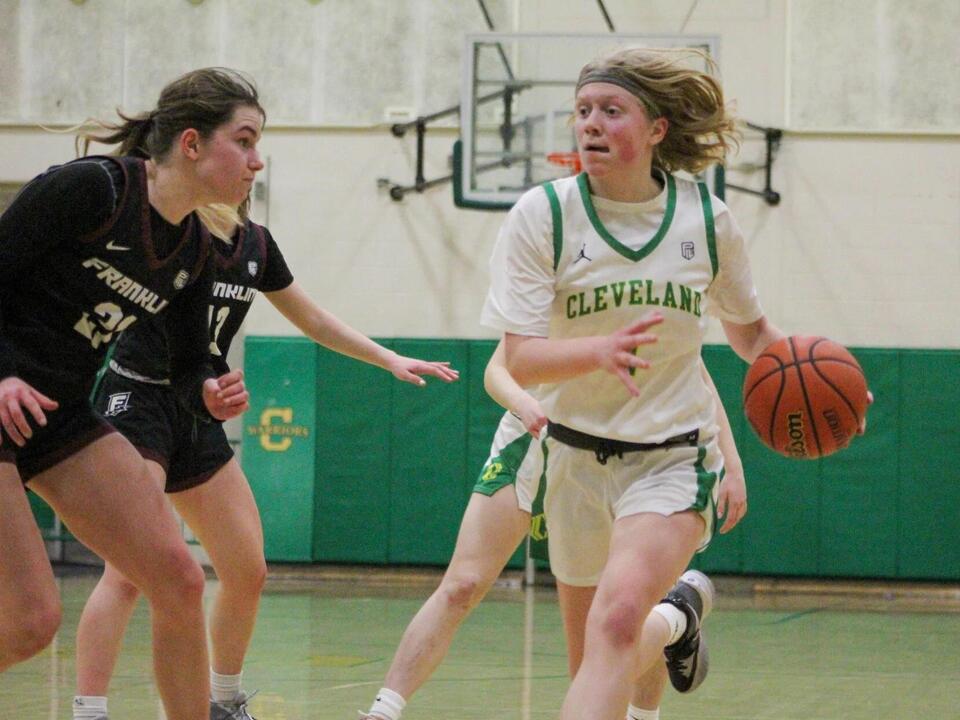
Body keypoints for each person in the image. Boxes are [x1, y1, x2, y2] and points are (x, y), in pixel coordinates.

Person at [480, 47, 789, 720]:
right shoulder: (543, 216)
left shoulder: (707, 221)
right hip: (573, 457)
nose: (590, 124)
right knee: (597, 659)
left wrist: (814, 374)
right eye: (582, 111)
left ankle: (664, 616)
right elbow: (522, 358)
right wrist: (599, 349)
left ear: (655, 130)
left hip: (672, 458)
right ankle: (678, 618)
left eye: (610, 111)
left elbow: (751, 336)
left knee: (616, 627)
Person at [72, 208, 459, 720]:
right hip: (139, 399)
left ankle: (223, 701)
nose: (252, 160)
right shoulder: (169, 229)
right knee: (127, 571)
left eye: (256, 145)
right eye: (241, 142)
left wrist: (387, 357)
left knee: (247, 568)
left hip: (201, 407)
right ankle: (89, 710)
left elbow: (313, 318)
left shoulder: (255, 243)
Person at [0, 67, 264, 720]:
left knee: (176, 578)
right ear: (194, 144)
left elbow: (188, 360)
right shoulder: (95, 189)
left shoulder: (194, 245)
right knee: (32, 620)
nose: (258, 160)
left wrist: (210, 389)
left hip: (57, 415)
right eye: (246, 139)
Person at [360, 340, 748, 720]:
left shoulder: (657, 292)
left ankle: (672, 628)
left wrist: (732, 462)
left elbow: (694, 372)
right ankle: (384, 711)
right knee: (463, 583)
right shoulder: (559, 283)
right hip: (531, 437)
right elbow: (498, 369)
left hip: (622, 450)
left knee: (615, 628)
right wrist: (521, 400)